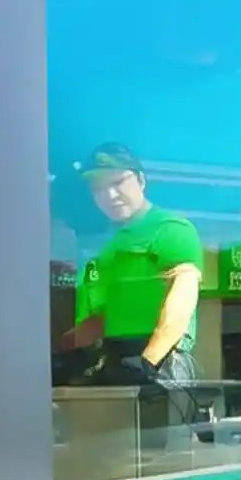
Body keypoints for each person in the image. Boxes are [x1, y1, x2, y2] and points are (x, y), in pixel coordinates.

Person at [59, 143, 204, 383]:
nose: (109, 195)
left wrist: (149, 361)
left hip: (162, 363)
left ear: (141, 181)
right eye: (98, 189)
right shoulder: (110, 245)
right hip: (117, 357)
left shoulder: (170, 229)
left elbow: (181, 302)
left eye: (117, 183)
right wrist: (60, 351)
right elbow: (109, 316)